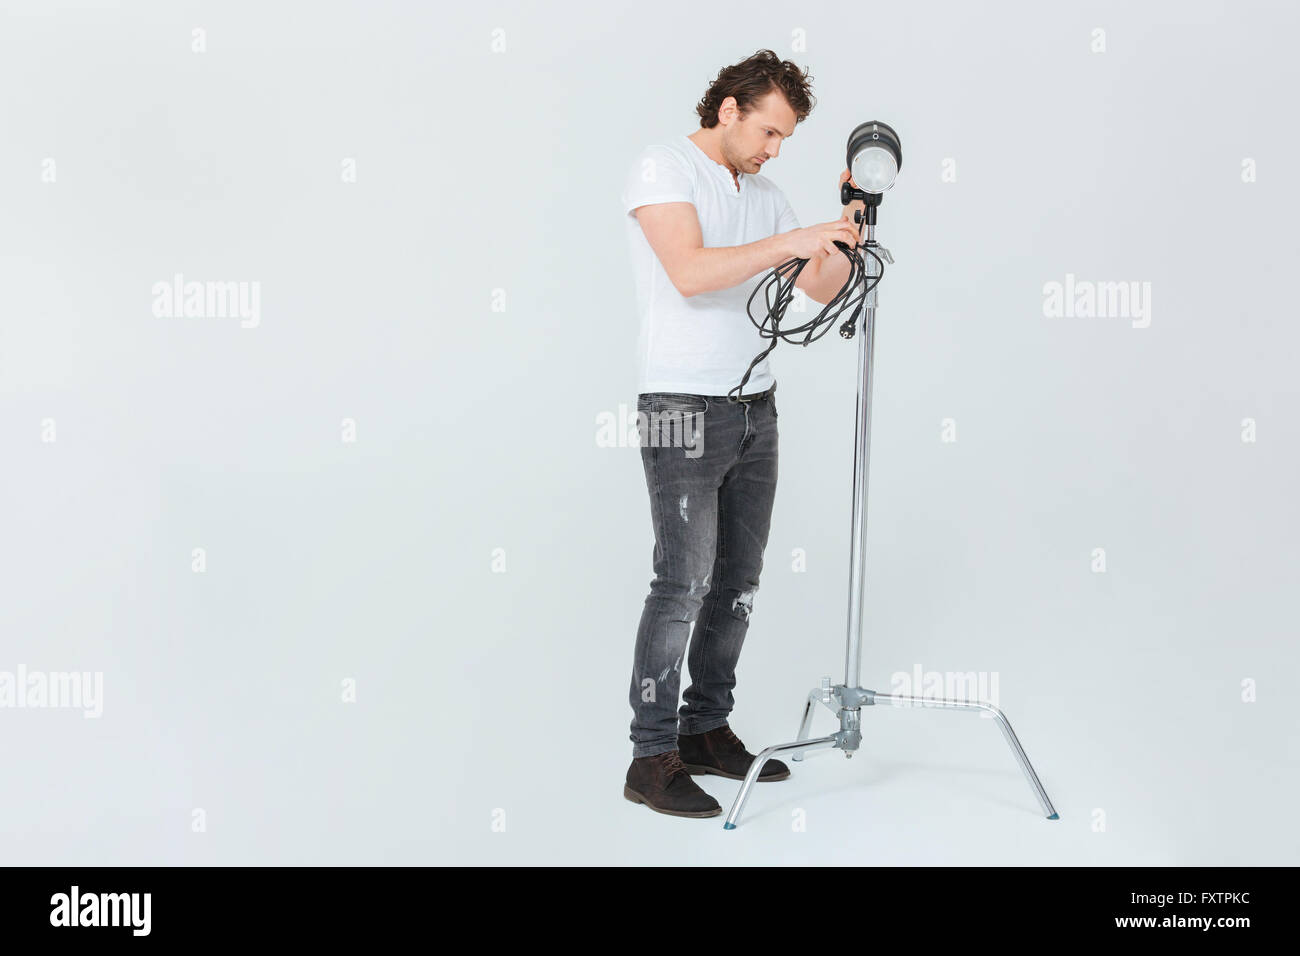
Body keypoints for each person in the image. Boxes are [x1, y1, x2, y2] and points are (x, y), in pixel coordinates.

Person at [619, 49, 864, 818]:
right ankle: (651, 756)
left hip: (756, 404)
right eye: (768, 131)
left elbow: (807, 291)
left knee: (738, 582)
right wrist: (794, 243)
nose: (774, 149)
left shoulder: (765, 194)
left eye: (786, 138)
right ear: (728, 109)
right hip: (683, 408)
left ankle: (706, 727)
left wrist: (843, 237)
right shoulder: (663, 169)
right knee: (681, 583)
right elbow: (689, 272)